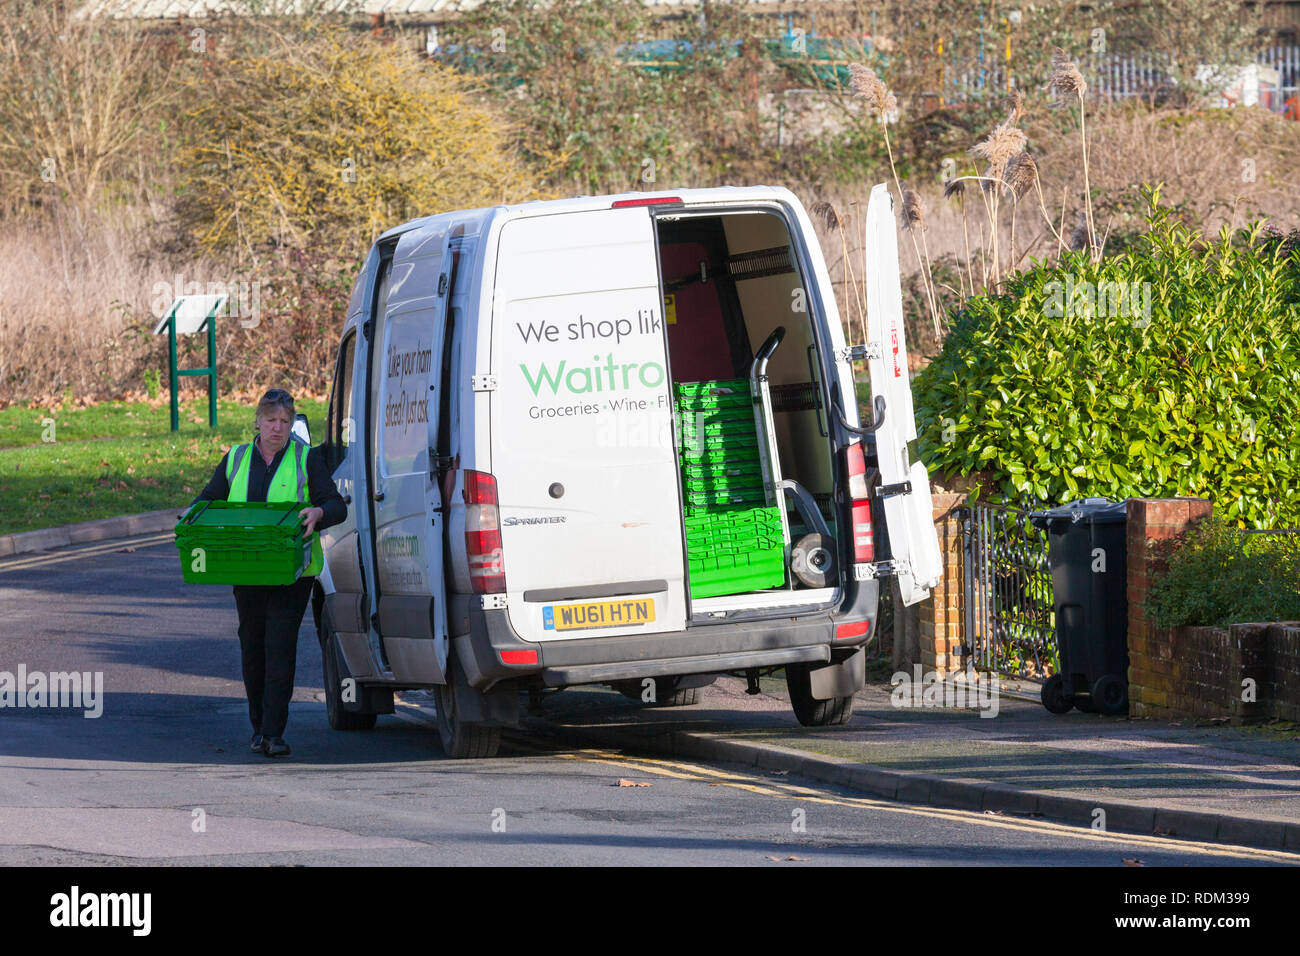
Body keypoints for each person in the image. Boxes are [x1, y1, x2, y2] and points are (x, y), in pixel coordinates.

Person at [192, 388, 347, 758]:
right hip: (247, 567)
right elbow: (207, 499)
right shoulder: (237, 459)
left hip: (292, 573)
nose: (278, 428)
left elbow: (336, 505)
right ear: (257, 422)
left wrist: (318, 513)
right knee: (253, 649)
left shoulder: (306, 459)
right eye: (271, 420)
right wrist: (191, 517)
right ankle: (258, 726)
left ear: (291, 425)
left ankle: (273, 733)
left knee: (280, 648)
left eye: (285, 422)